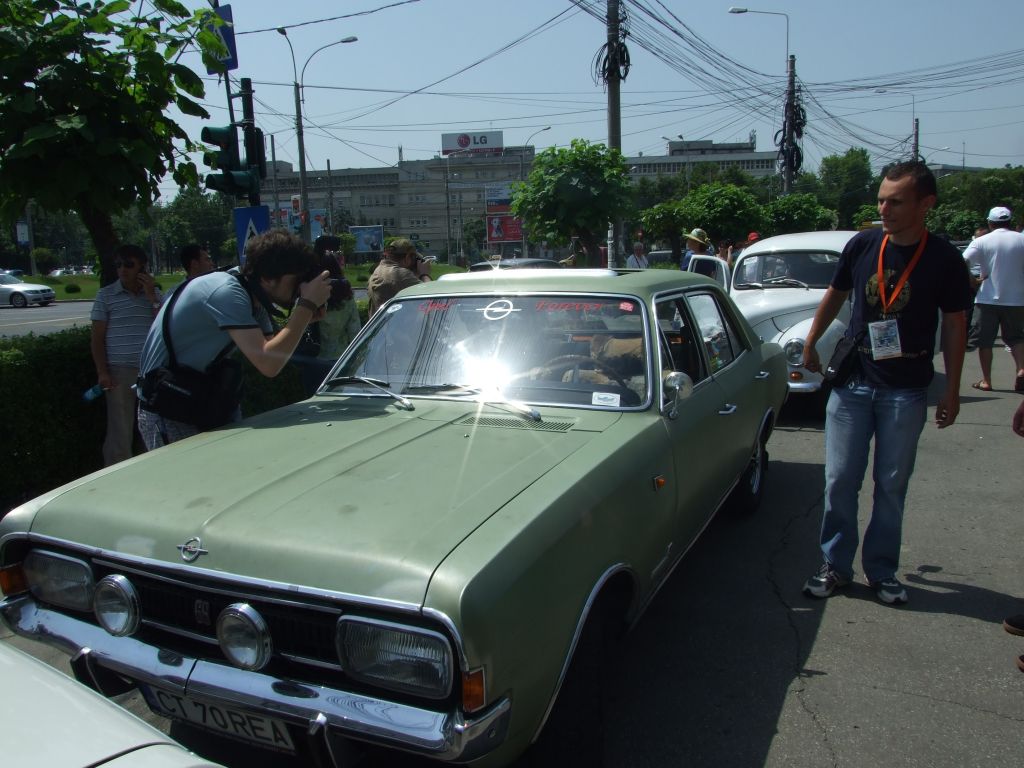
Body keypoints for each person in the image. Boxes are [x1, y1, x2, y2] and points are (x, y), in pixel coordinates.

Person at [800, 160, 971, 606]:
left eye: (896, 201)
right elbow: (835, 294)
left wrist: (951, 390)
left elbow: (954, 325)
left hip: (906, 389)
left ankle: (881, 571)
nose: (885, 208)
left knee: (891, 485)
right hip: (853, 383)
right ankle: (834, 566)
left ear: (925, 204)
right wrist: (812, 341)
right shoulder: (863, 244)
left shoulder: (944, 258)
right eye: (881, 199)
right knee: (839, 481)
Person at [136, 230, 332, 448]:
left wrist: (306, 317)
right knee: (189, 481)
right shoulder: (226, 292)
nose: (300, 287)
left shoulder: (250, 291)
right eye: (296, 280)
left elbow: (273, 348)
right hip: (168, 406)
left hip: (194, 396)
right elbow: (269, 363)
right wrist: (305, 307)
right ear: (268, 277)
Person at [89, 244, 161, 466]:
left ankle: (149, 469)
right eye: (119, 264)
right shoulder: (106, 295)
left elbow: (163, 325)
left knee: (150, 425)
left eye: (129, 264)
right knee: (120, 429)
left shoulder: (154, 294)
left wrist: (153, 298)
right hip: (120, 372)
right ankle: (116, 473)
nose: (123, 269)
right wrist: (102, 372)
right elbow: (97, 338)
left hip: (150, 371)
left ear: (142, 267)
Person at [961, 206, 1024, 392]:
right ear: (1009, 222)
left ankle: (987, 380)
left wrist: (973, 281)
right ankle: (1021, 369)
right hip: (1017, 299)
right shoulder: (1021, 239)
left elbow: (962, 262)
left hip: (987, 298)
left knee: (985, 342)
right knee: (1017, 338)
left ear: (990, 223)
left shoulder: (982, 240)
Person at [300, 251, 362, 396]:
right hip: (340, 360)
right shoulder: (347, 296)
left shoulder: (312, 296)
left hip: (314, 360)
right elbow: (355, 330)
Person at [367, 237, 431, 316]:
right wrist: (424, 274)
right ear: (407, 257)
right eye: (414, 258)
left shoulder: (378, 269)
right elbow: (431, 295)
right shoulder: (401, 274)